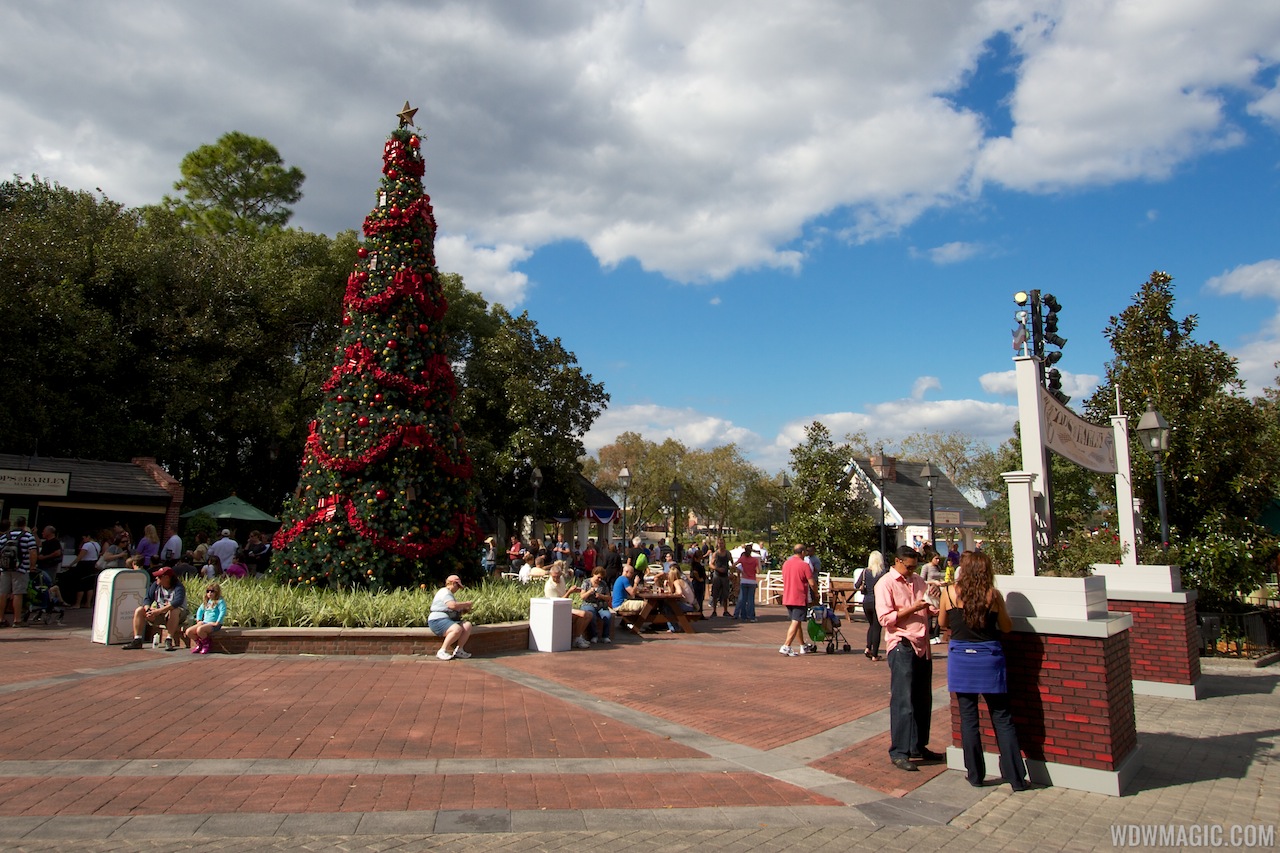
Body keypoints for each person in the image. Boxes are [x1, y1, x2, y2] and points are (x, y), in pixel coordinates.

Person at [938, 550, 1031, 791]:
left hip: (961, 658)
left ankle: (976, 775)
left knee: (968, 719)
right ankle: (1016, 778)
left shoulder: (948, 593)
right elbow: (1007, 627)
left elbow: (941, 623)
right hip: (989, 657)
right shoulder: (993, 595)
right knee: (1002, 718)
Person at [875, 545, 942, 772]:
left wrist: (933, 603)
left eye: (915, 567)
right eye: (909, 567)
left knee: (923, 699)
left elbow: (928, 609)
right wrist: (914, 608)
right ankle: (899, 751)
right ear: (897, 561)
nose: (912, 571)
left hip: (922, 644)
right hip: (902, 644)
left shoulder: (918, 581)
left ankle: (918, 745)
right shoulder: (885, 583)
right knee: (903, 700)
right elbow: (886, 618)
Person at [123, 566, 188, 650]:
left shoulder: (179, 587)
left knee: (174, 610)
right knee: (139, 610)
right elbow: (147, 599)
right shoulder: (156, 585)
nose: (156, 578)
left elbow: (176, 603)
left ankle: (168, 639)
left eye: (159, 576)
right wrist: (148, 610)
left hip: (177, 615)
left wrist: (157, 611)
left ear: (167, 578)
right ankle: (137, 640)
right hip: (160, 613)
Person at [543, 561, 593, 649]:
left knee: (589, 614)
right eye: (554, 577)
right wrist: (569, 592)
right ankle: (577, 639)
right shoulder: (549, 586)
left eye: (558, 576)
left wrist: (573, 591)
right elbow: (557, 603)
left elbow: (562, 593)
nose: (557, 579)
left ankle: (577, 637)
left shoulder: (561, 579)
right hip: (556, 609)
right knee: (583, 614)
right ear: (551, 575)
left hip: (565, 606)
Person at [778, 544, 816, 657]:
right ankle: (786, 645)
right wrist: (816, 593)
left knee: (796, 621)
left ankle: (802, 645)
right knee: (796, 621)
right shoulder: (804, 565)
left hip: (788, 596)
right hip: (799, 597)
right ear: (803, 552)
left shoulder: (786, 564)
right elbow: (812, 583)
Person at [0, 517, 39, 627]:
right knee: (18, 593)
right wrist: (32, 566)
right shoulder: (28, 536)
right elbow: (33, 552)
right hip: (21, 569)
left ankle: (1, 619)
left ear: (14, 524)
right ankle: (17, 620)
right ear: (24, 524)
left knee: (2, 593)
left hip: (5, 569)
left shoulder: (5, 536)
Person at [428, 575, 474, 660]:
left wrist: (464, 610)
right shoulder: (444, 592)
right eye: (458, 586)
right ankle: (442, 651)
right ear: (453, 583)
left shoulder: (450, 595)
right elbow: (452, 605)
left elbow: (454, 609)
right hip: (437, 620)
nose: (458, 589)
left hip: (449, 620)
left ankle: (459, 650)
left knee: (467, 625)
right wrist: (466, 604)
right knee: (456, 629)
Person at [855, 550, 887, 660]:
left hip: (866, 601)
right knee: (877, 627)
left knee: (871, 625)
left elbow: (857, 585)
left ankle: (868, 647)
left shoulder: (865, 572)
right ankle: (875, 654)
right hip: (878, 602)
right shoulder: (883, 573)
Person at [185, 582, 227, 654]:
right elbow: (200, 610)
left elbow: (222, 612)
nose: (209, 593)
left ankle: (206, 644)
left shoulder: (220, 601)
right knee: (188, 631)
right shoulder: (207, 602)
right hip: (205, 622)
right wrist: (199, 620)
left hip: (214, 624)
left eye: (212, 591)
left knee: (200, 630)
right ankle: (199, 644)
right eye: (208, 591)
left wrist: (218, 622)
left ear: (216, 592)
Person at [580, 566, 613, 644]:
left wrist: (601, 596)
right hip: (588, 604)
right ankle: (594, 636)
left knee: (607, 616)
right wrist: (589, 592)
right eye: (598, 577)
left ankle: (605, 636)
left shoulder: (603, 584)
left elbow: (608, 597)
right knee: (592, 615)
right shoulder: (586, 582)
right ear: (594, 574)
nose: (599, 580)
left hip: (601, 605)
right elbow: (582, 597)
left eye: (601, 578)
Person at [71, 531, 101, 610]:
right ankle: (88, 603)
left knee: (81, 584)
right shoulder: (97, 545)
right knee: (90, 584)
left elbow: (80, 556)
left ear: (88, 536)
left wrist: (72, 564)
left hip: (84, 565)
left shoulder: (86, 545)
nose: (83, 539)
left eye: (84, 537)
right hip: (93, 564)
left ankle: (77, 603)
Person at [732, 542, 759, 622]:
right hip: (752, 581)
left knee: (743, 599)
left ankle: (743, 615)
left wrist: (741, 571)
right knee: (751, 599)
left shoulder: (742, 559)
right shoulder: (754, 560)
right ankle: (751, 616)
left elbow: (734, 565)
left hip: (744, 580)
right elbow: (758, 571)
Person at [667, 565, 698, 633]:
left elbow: (679, 592)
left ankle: (674, 627)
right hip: (692, 605)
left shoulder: (676, 582)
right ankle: (673, 626)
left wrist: (674, 594)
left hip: (689, 606)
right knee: (670, 606)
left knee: (667, 606)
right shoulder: (681, 581)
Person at [709, 538, 731, 617]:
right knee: (715, 593)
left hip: (725, 575)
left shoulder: (728, 553)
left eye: (722, 543)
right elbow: (711, 564)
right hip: (717, 575)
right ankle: (714, 611)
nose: (721, 545)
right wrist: (717, 568)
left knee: (725, 594)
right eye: (719, 543)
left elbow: (732, 563)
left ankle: (725, 610)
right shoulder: (716, 554)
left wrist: (731, 572)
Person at [686, 544, 706, 614]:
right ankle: (698, 612)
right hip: (698, 583)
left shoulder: (697, 564)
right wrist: (699, 579)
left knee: (700, 598)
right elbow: (695, 572)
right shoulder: (696, 565)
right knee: (698, 598)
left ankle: (700, 612)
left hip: (699, 582)